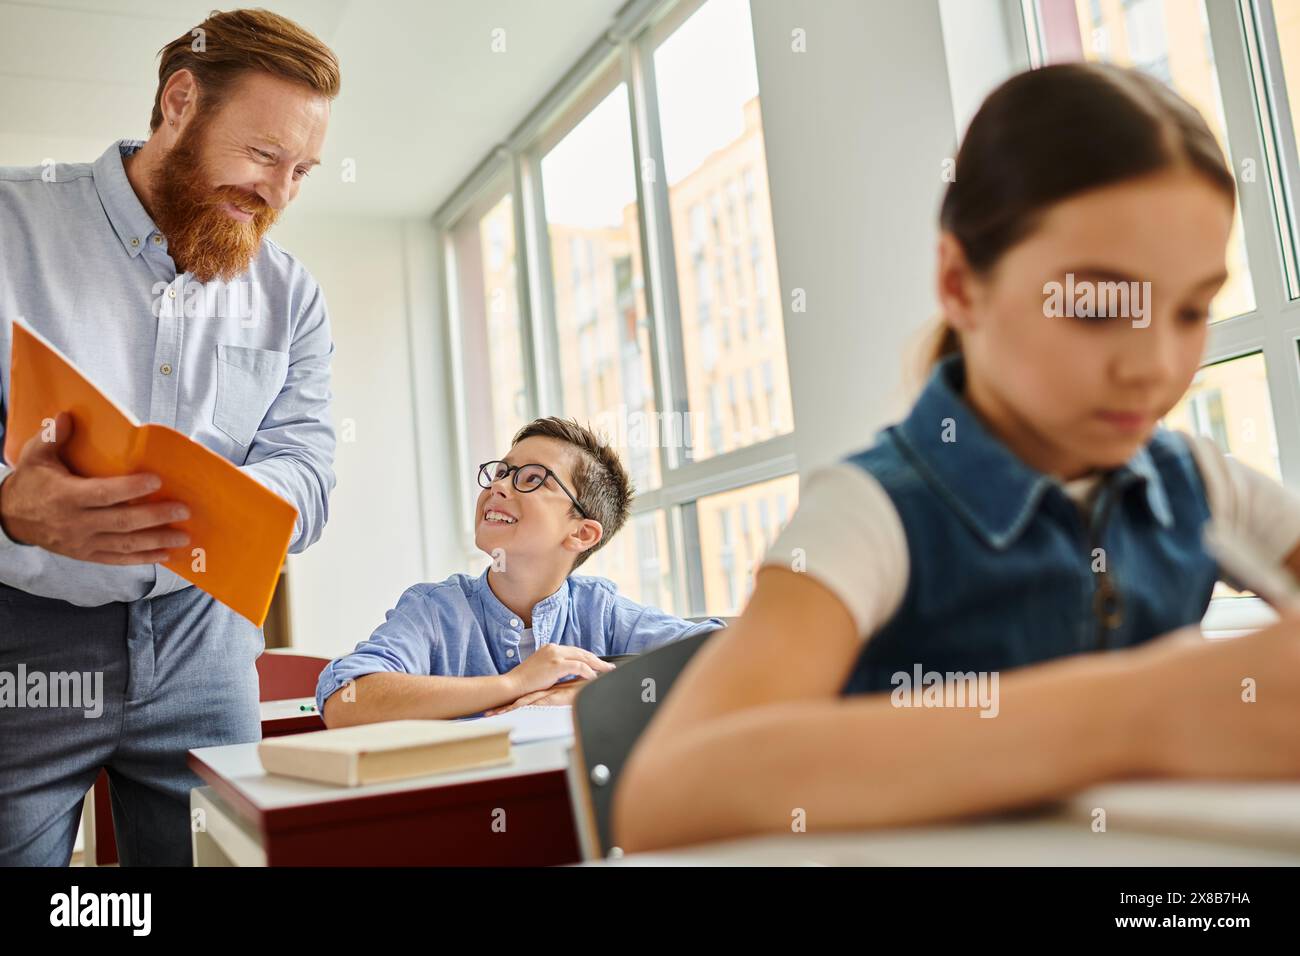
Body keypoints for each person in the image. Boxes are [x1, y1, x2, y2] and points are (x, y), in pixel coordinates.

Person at [613, 63, 1300, 852]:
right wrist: (1150, 711)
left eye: (1193, 309)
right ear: (959, 284)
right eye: (1095, 304)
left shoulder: (1203, 482)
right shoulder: (870, 512)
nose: (1155, 363)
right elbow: (666, 792)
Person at [0, 9, 340, 865]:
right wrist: (8, 507)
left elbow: (309, 463)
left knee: (222, 857)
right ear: (179, 102)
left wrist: (246, 505)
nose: (278, 192)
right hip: (23, 633)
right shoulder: (11, 226)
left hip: (206, 636)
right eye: (264, 155)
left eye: (302, 170)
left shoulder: (290, 295)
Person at [318, 417, 724, 725]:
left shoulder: (601, 612)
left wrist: (588, 693)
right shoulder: (435, 612)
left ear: (581, 533)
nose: (499, 487)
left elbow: (732, 653)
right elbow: (345, 697)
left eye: (532, 479)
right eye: (501, 472)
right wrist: (514, 684)